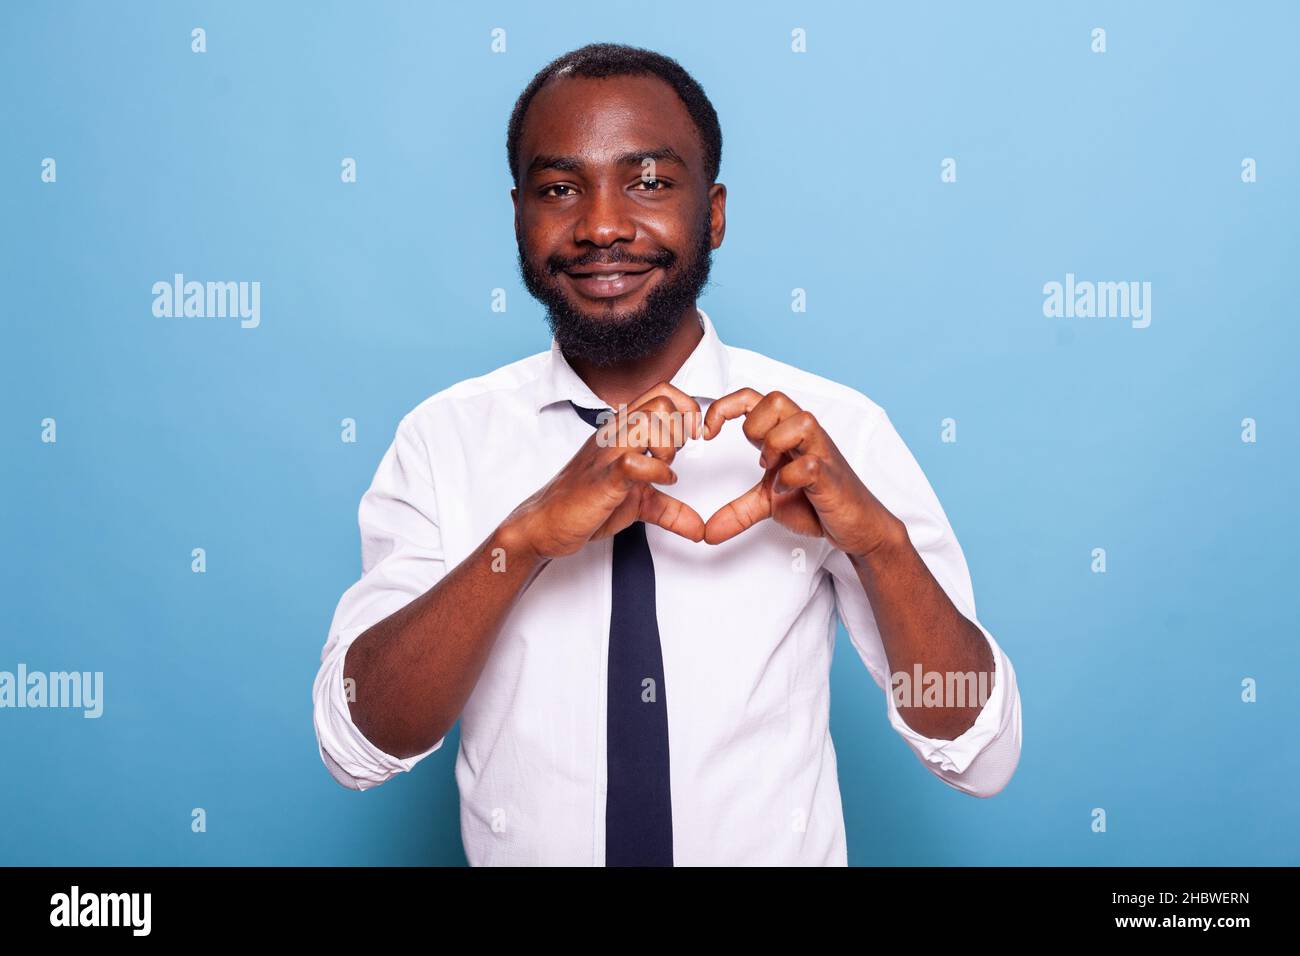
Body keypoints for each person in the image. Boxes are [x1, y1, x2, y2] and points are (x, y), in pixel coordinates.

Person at [311, 42, 1022, 866]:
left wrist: (879, 545)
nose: (602, 225)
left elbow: (982, 751)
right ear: (518, 215)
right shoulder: (442, 441)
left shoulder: (836, 432)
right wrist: (524, 539)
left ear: (713, 213)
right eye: (558, 189)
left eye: (648, 182)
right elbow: (354, 742)